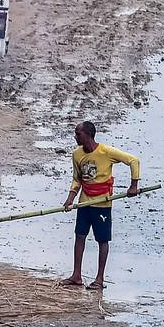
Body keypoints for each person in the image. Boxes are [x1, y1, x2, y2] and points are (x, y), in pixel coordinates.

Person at [61, 121, 140, 290]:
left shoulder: (106, 152)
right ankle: (76, 276)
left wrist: (133, 186)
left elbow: (133, 161)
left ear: (88, 135)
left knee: (102, 240)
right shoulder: (77, 154)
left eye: (78, 134)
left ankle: (99, 279)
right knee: (80, 236)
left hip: (102, 204)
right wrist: (70, 199)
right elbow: (77, 179)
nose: (75, 137)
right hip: (84, 202)